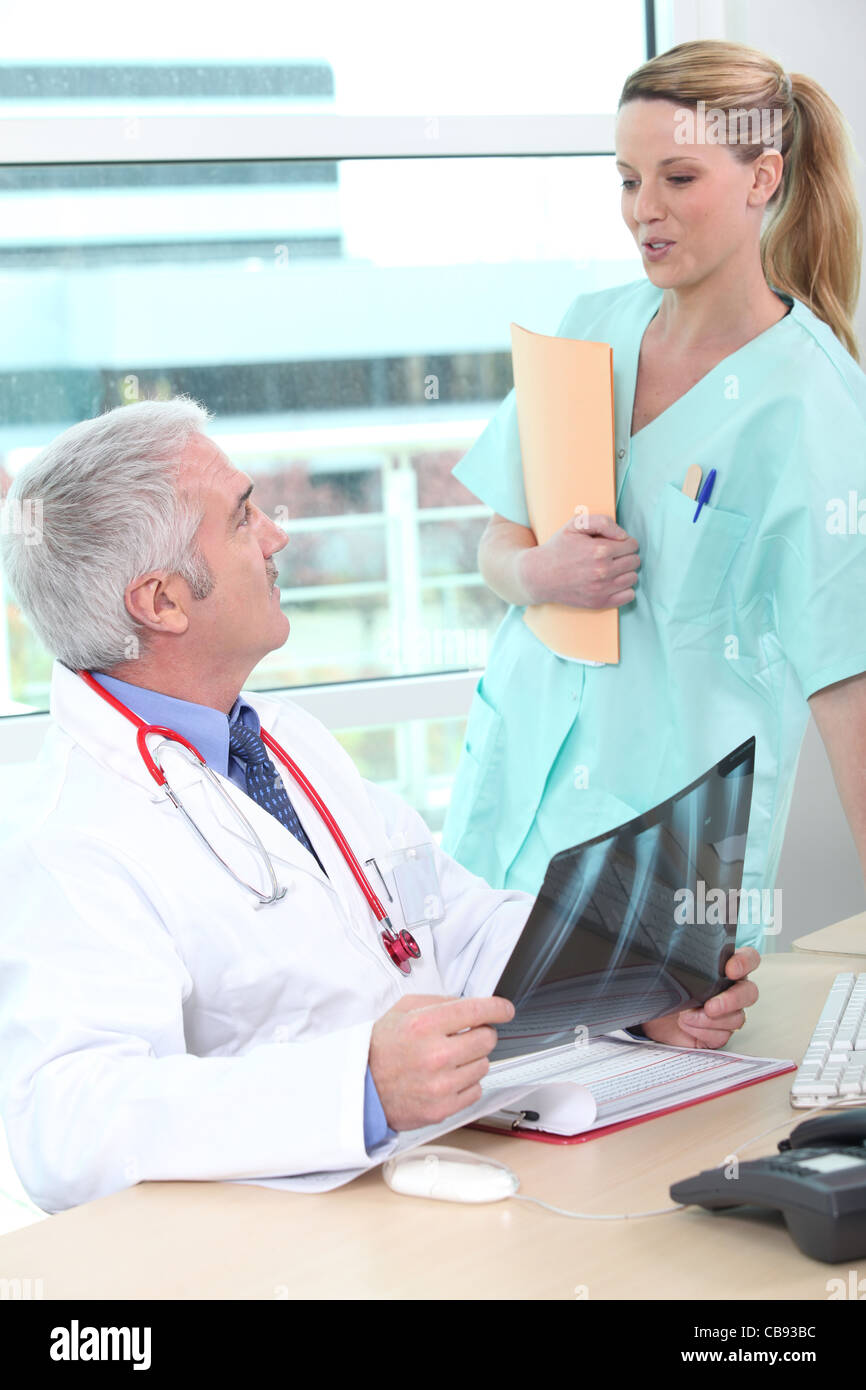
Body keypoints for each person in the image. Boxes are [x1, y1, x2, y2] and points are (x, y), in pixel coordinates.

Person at [0, 399, 759, 1214]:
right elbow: (64, 1124)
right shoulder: (72, 838)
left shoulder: (283, 738)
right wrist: (355, 1087)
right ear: (162, 604)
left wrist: (639, 987)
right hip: (304, 1239)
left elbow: (450, 930)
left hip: (447, 1170)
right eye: (244, 515)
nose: (277, 536)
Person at [441, 39, 866, 946]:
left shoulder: (814, 404)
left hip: (661, 857)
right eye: (628, 180)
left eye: (678, 177)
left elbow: (850, 689)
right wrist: (539, 574)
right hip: (509, 807)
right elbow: (497, 548)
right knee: (475, 1072)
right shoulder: (590, 327)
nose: (646, 212)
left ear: (764, 178)